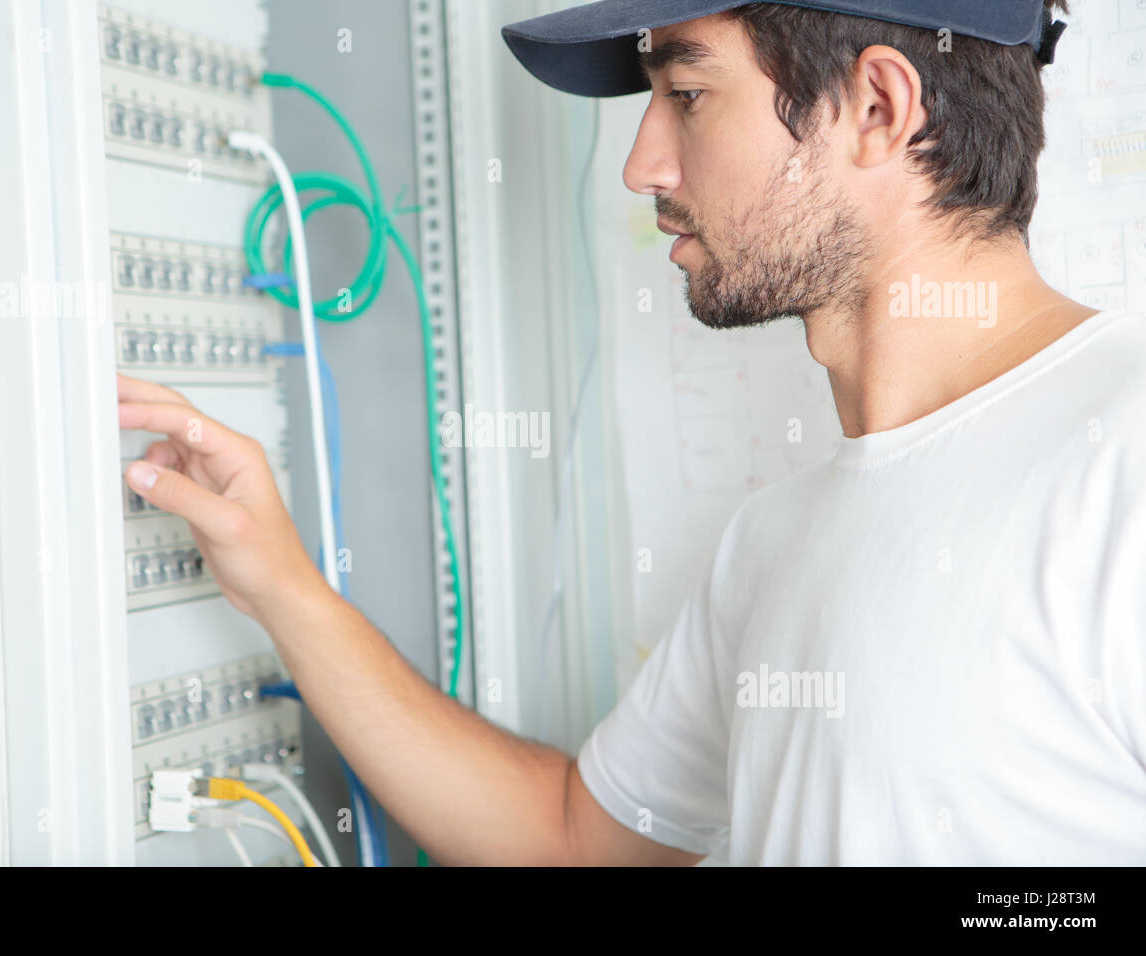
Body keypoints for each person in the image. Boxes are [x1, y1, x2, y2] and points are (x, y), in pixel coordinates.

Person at [119, 0, 1146, 864]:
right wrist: (280, 581)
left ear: (876, 107)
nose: (643, 165)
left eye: (686, 95)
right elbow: (575, 838)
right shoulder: (772, 537)